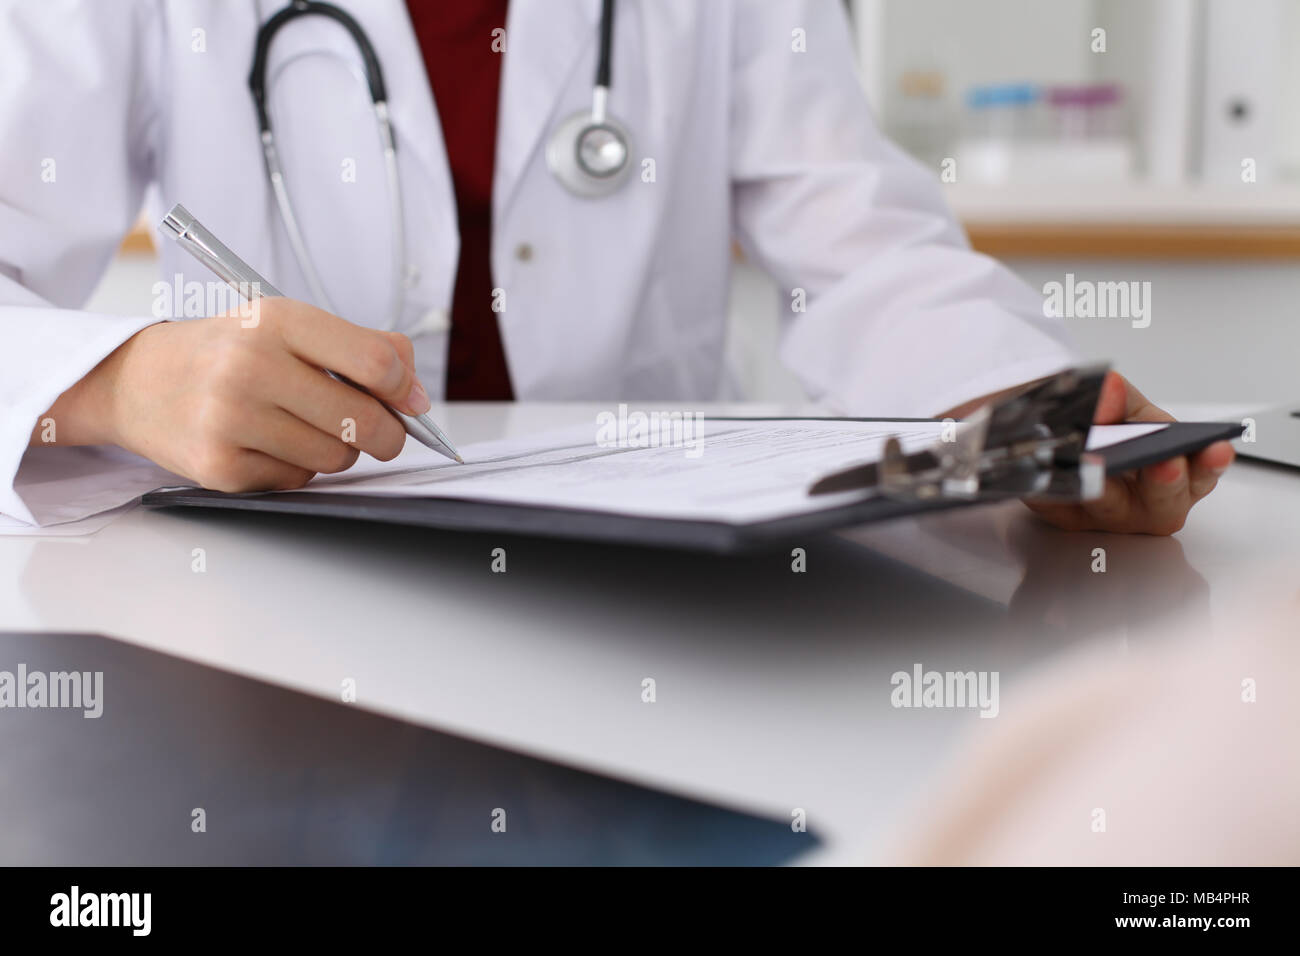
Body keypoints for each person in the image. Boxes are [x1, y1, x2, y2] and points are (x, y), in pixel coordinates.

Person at [0, 0, 1232, 530]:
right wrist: (109, 381)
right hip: (273, 565)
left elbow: (858, 241)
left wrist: (1013, 404)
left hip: (664, 582)